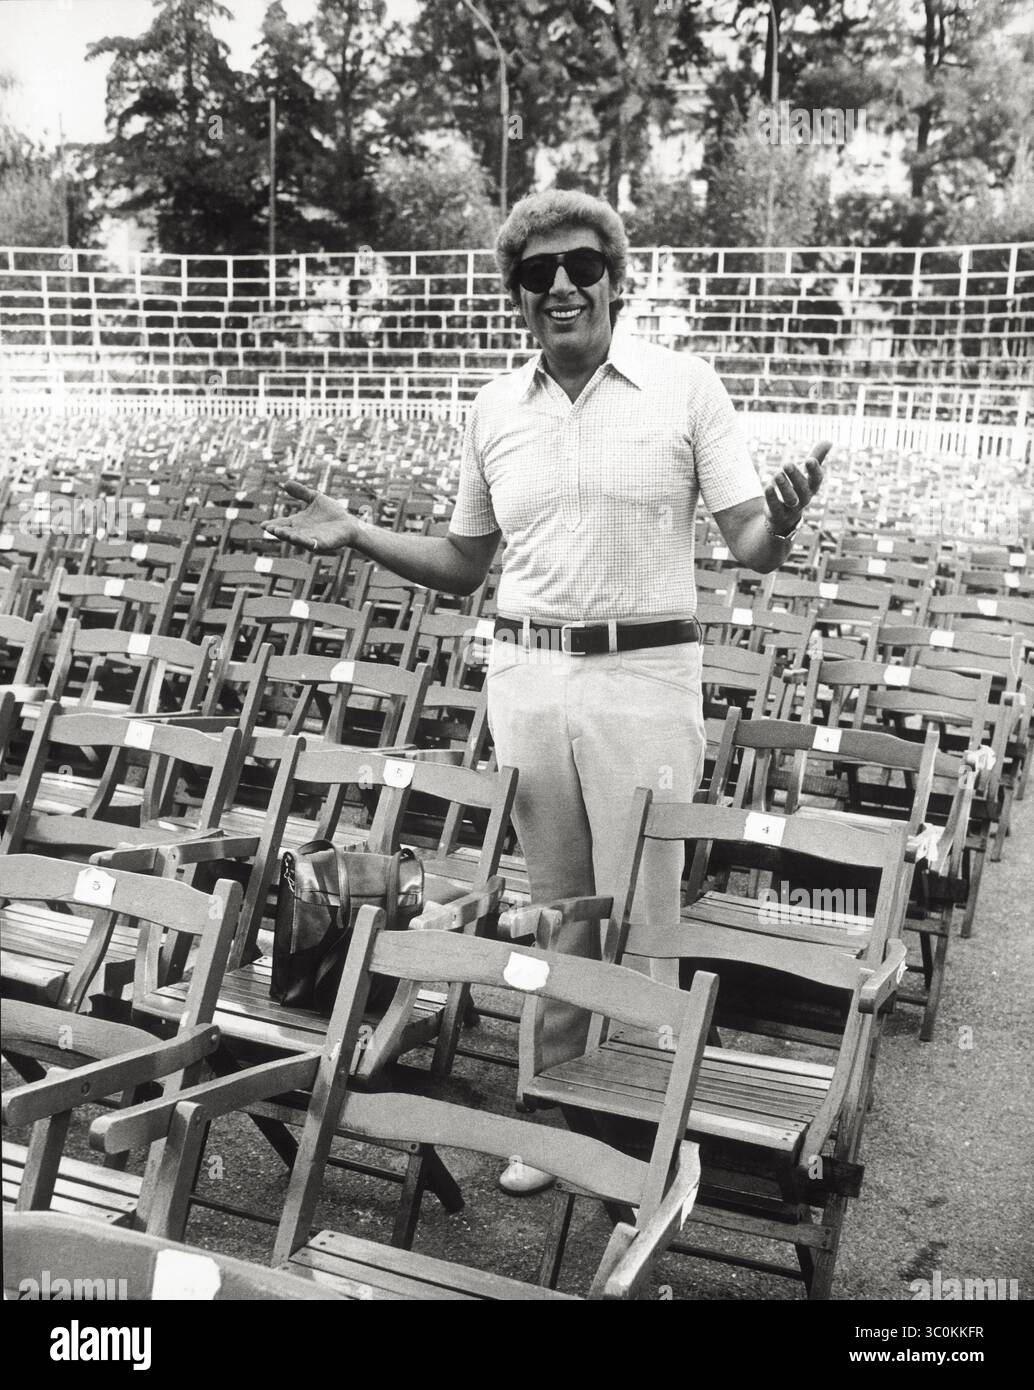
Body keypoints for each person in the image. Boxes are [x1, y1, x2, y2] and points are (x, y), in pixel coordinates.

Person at [264, 191, 830, 1194]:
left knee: (642, 909)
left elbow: (747, 541)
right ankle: (554, 1110)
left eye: (580, 266)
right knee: (558, 909)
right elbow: (461, 559)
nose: (561, 285)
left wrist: (779, 525)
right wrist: (354, 532)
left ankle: (641, 1132)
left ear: (614, 277)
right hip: (526, 674)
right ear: (516, 295)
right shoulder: (493, 406)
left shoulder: (683, 386)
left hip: (644, 675)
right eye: (537, 273)